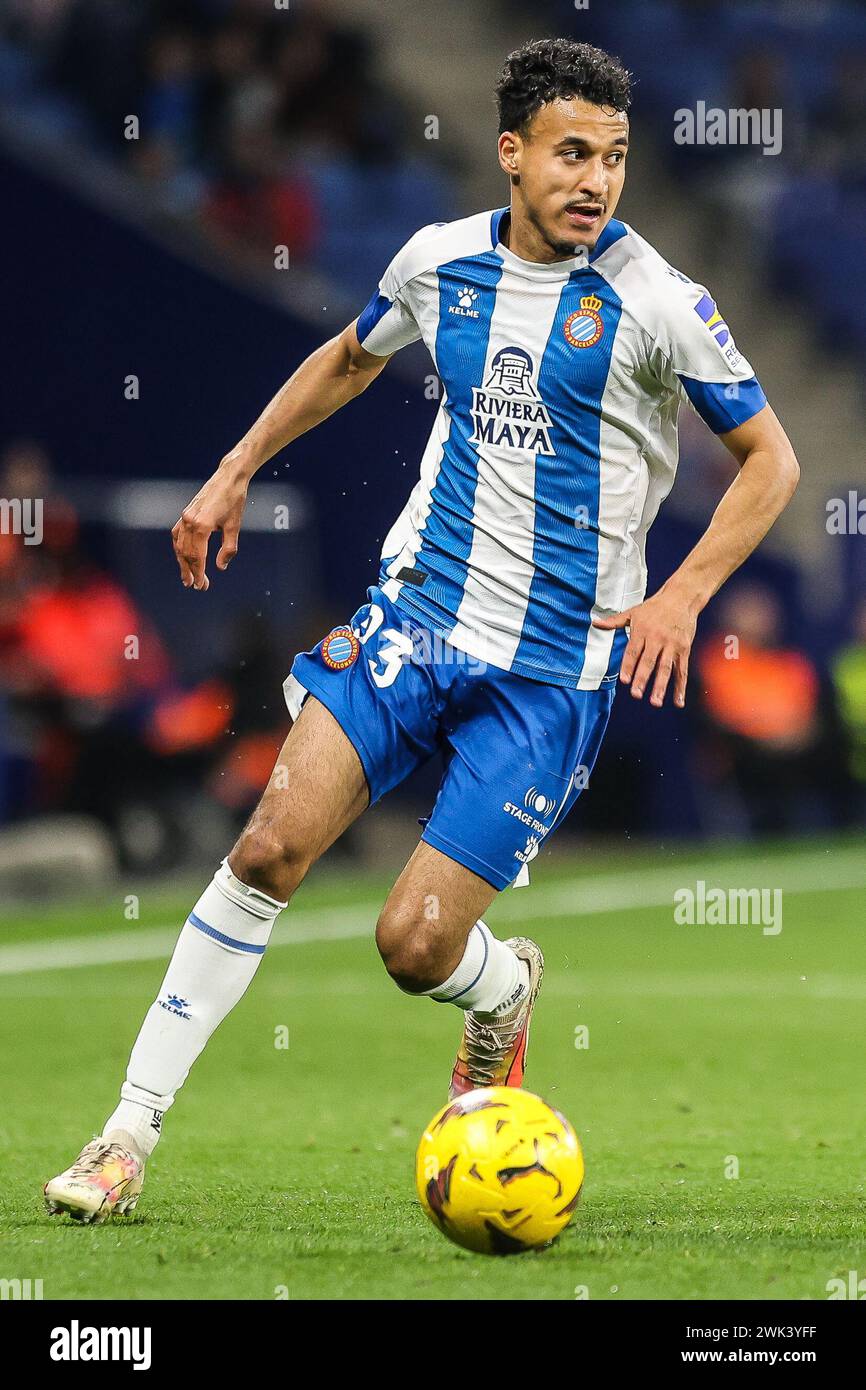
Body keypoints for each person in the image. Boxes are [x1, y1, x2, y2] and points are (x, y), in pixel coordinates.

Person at [45, 38, 799, 1223]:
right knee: (265, 850)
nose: (594, 180)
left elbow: (770, 461)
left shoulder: (656, 303)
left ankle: (500, 992)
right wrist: (234, 467)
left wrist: (683, 593)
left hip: (551, 675)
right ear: (509, 153)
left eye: (611, 157)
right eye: (568, 154)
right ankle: (124, 1139)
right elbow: (348, 357)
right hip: (417, 620)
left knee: (411, 945)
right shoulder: (438, 264)